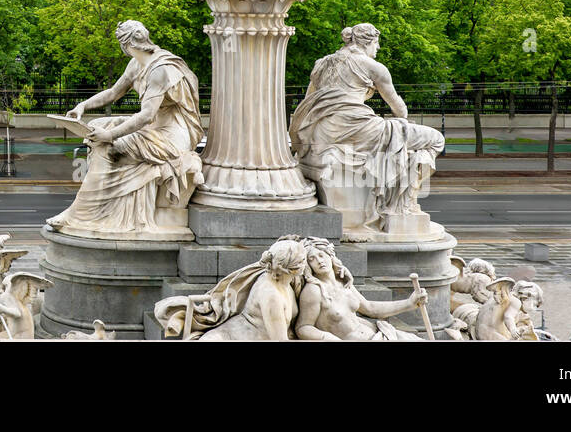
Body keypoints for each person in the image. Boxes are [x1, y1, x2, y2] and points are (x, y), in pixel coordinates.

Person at [45, 20, 204, 238]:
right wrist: (82, 106)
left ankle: (79, 213)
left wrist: (110, 135)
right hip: (153, 127)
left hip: (171, 135)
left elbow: (146, 116)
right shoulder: (136, 64)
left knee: (107, 145)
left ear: (125, 44)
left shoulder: (161, 70)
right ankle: (99, 209)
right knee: (97, 126)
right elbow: (112, 92)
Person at [290, 23, 444, 230]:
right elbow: (397, 106)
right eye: (377, 44)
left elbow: (309, 101)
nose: (377, 49)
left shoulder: (321, 64)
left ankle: (399, 200)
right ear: (369, 42)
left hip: (323, 131)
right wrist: (402, 122)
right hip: (358, 129)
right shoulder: (373, 67)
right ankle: (401, 203)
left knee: (397, 133)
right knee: (435, 139)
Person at [155, 237, 308, 341]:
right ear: (292, 269)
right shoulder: (271, 295)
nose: (306, 264)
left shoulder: (281, 281)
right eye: (303, 261)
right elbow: (279, 340)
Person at [295, 238, 428, 341]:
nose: (319, 261)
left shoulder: (342, 282)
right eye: (312, 259)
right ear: (308, 266)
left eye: (321, 255)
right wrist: (330, 339)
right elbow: (303, 328)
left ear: (330, 255)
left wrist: (410, 303)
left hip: (378, 333)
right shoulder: (313, 291)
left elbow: (370, 308)